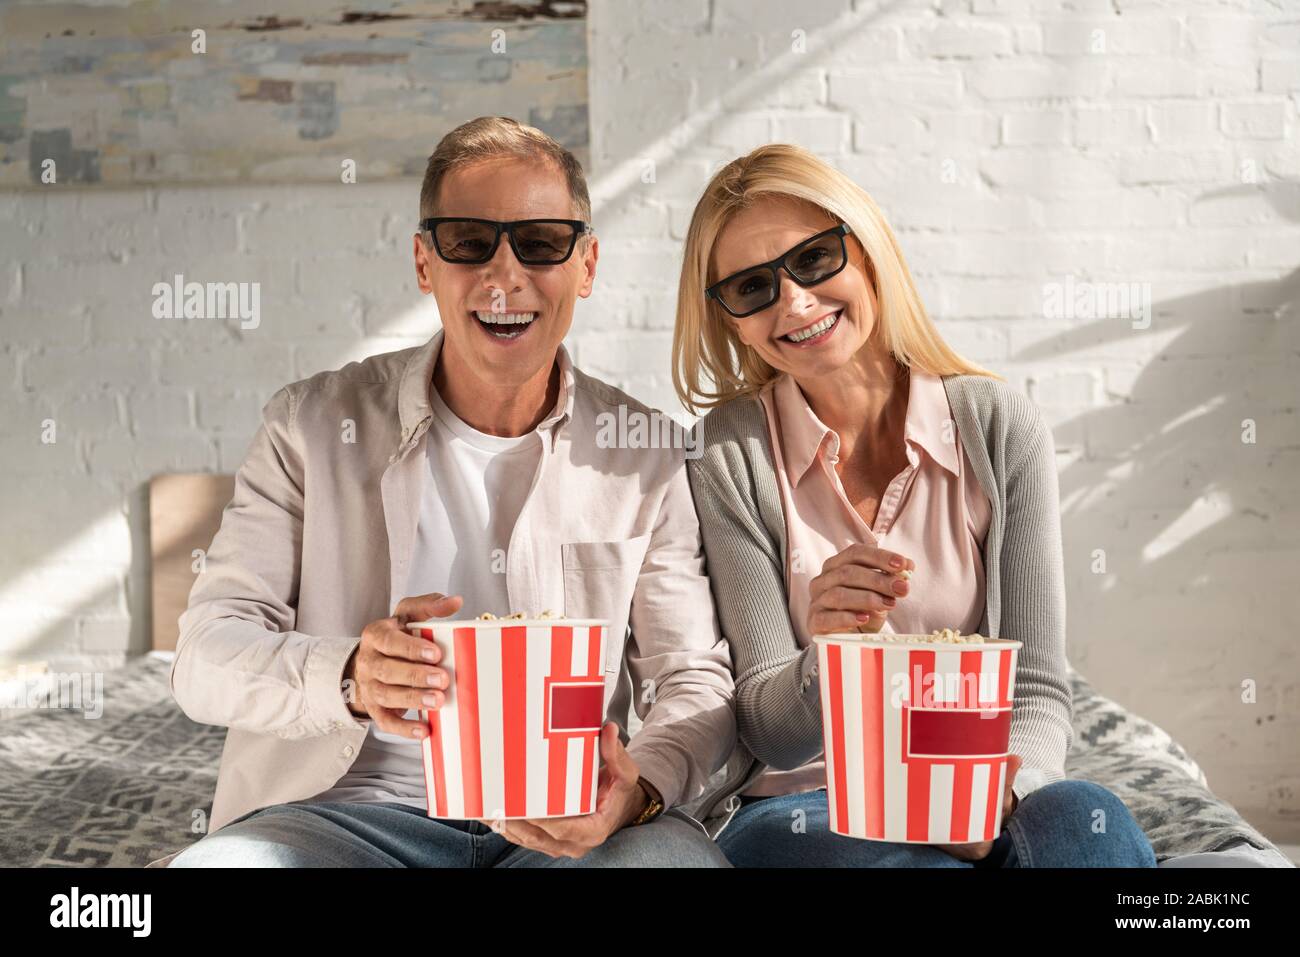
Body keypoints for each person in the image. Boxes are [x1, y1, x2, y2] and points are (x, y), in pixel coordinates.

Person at [154, 117, 735, 868]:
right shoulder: (309, 426)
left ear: (586, 266)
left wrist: (640, 788)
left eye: (541, 241)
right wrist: (349, 674)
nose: (504, 274)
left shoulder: (645, 454)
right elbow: (204, 655)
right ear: (425, 263)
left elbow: (691, 677)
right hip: (338, 821)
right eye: (468, 240)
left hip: (561, 828)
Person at [673, 143, 1156, 867]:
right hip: (810, 805)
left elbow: (1034, 688)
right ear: (731, 319)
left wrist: (1001, 795)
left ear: (866, 252)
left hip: (983, 785)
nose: (794, 303)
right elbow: (768, 731)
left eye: (813, 260)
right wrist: (824, 656)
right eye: (751, 288)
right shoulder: (729, 450)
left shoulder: (997, 425)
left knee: (1087, 817)